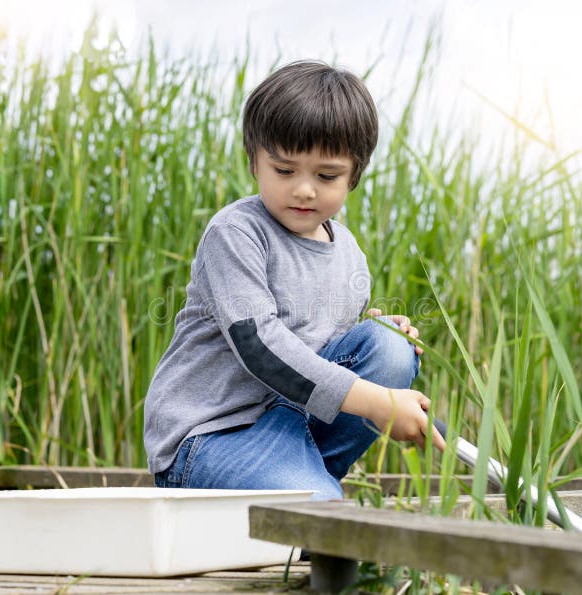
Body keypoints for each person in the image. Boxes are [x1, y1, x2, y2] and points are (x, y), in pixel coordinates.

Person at [144, 60, 445, 500]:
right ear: (255, 162)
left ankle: (308, 479)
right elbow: (260, 346)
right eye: (284, 171)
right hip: (215, 435)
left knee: (390, 348)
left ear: (353, 175)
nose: (304, 189)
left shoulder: (350, 254)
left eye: (326, 176)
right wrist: (380, 405)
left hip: (292, 424)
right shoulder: (236, 234)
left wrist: (371, 331)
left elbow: (325, 349)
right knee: (320, 512)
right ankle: (307, 491)